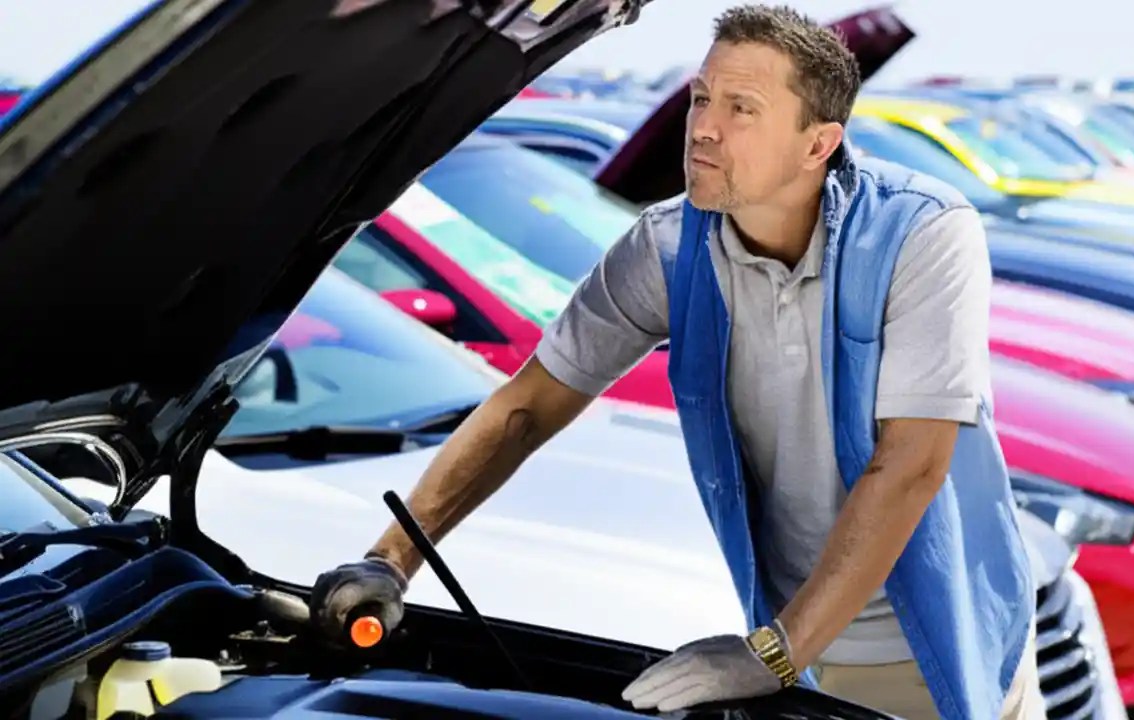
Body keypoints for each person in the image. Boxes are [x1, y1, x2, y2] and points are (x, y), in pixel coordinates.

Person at [309, 5, 1042, 718]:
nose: (705, 127)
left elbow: (911, 462)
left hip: (947, 642)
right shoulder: (665, 249)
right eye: (701, 98)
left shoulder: (921, 233)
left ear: (818, 145)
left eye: (742, 108)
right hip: (807, 653)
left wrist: (773, 654)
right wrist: (390, 559)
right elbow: (525, 408)